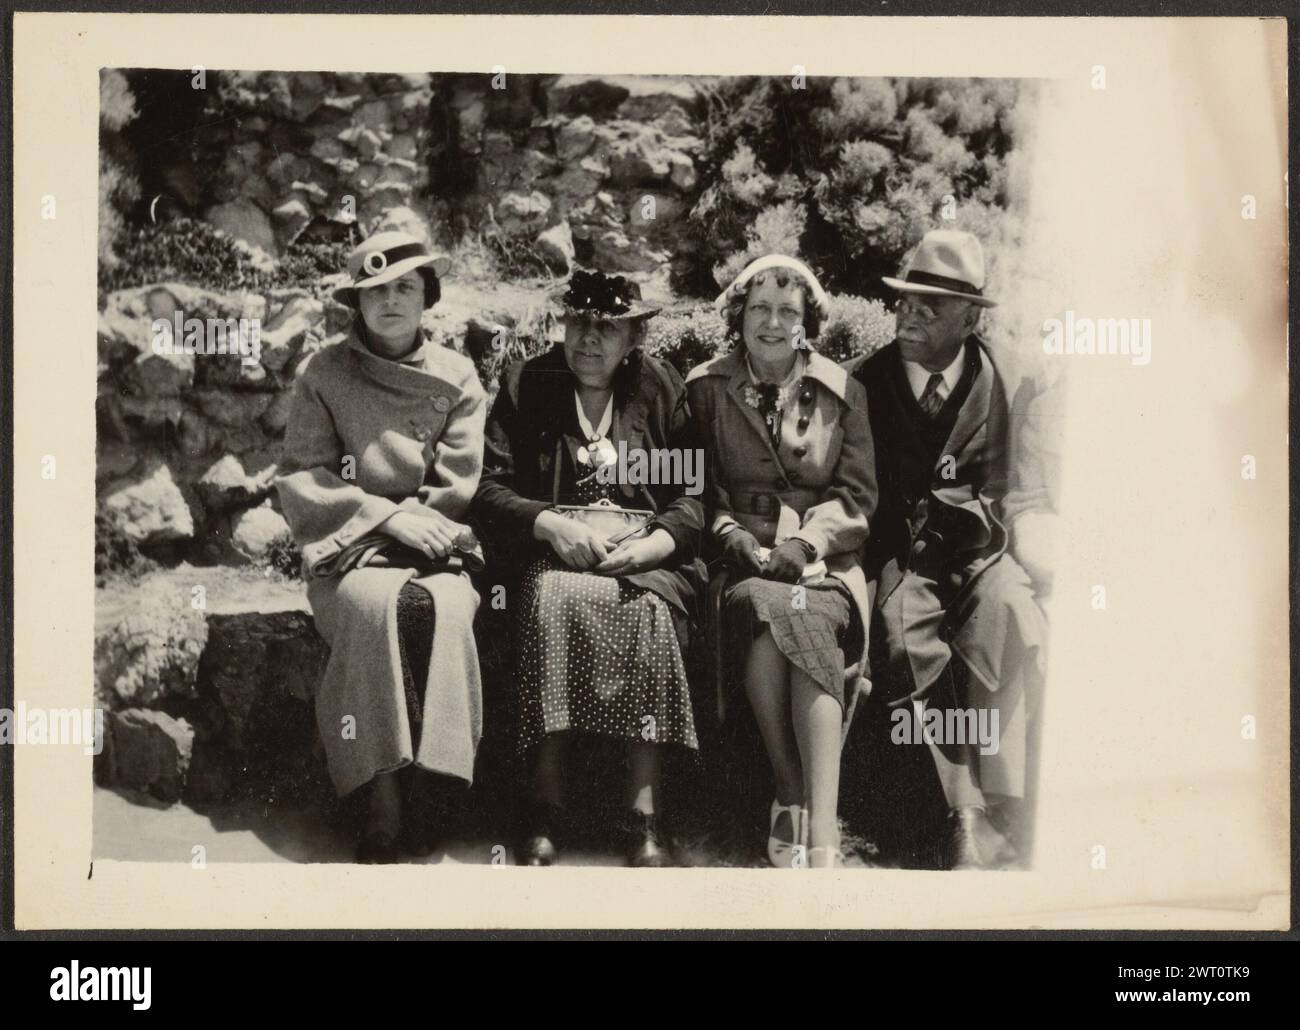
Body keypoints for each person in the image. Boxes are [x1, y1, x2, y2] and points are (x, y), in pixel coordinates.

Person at [472, 268, 706, 868]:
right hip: (553, 557)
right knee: (552, 600)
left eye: (607, 328)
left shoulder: (658, 389)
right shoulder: (529, 383)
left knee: (648, 611)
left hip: (642, 561)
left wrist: (658, 541)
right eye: (578, 323)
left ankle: (643, 813)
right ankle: (544, 809)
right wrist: (548, 522)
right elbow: (489, 488)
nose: (589, 340)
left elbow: (693, 496)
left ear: (634, 337)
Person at [276, 230, 488, 864]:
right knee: (370, 609)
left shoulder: (457, 376)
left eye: (405, 288)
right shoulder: (323, 372)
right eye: (376, 291)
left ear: (427, 298)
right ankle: (383, 795)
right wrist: (381, 518)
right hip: (352, 547)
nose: (391, 301)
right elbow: (304, 473)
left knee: (448, 612)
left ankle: (432, 781)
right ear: (356, 302)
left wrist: (419, 525)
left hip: (434, 544)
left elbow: (459, 480)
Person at [847, 229, 1051, 870]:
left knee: (1011, 611)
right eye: (903, 302)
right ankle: (958, 813)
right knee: (905, 637)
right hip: (904, 556)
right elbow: (857, 494)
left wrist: (1020, 541)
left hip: (984, 552)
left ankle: (1006, 803)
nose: (908, 315)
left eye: (928, 306)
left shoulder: (1010, 379)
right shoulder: (865, 383)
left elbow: (1024, 491)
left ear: (969, 316)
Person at [687, 255, 877, 869]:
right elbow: (697, 488)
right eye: (760, 308)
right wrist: (728, 534)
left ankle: (819, 824)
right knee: (763, 613)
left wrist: (806, 544)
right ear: (739, 314)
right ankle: (788, 785)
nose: (772, 323)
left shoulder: (843, 392)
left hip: (824, 563)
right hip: (742, 561)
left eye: (788, 312)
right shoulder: (704, 388)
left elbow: (858, 496)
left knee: (802, 616)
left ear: (807, 322)